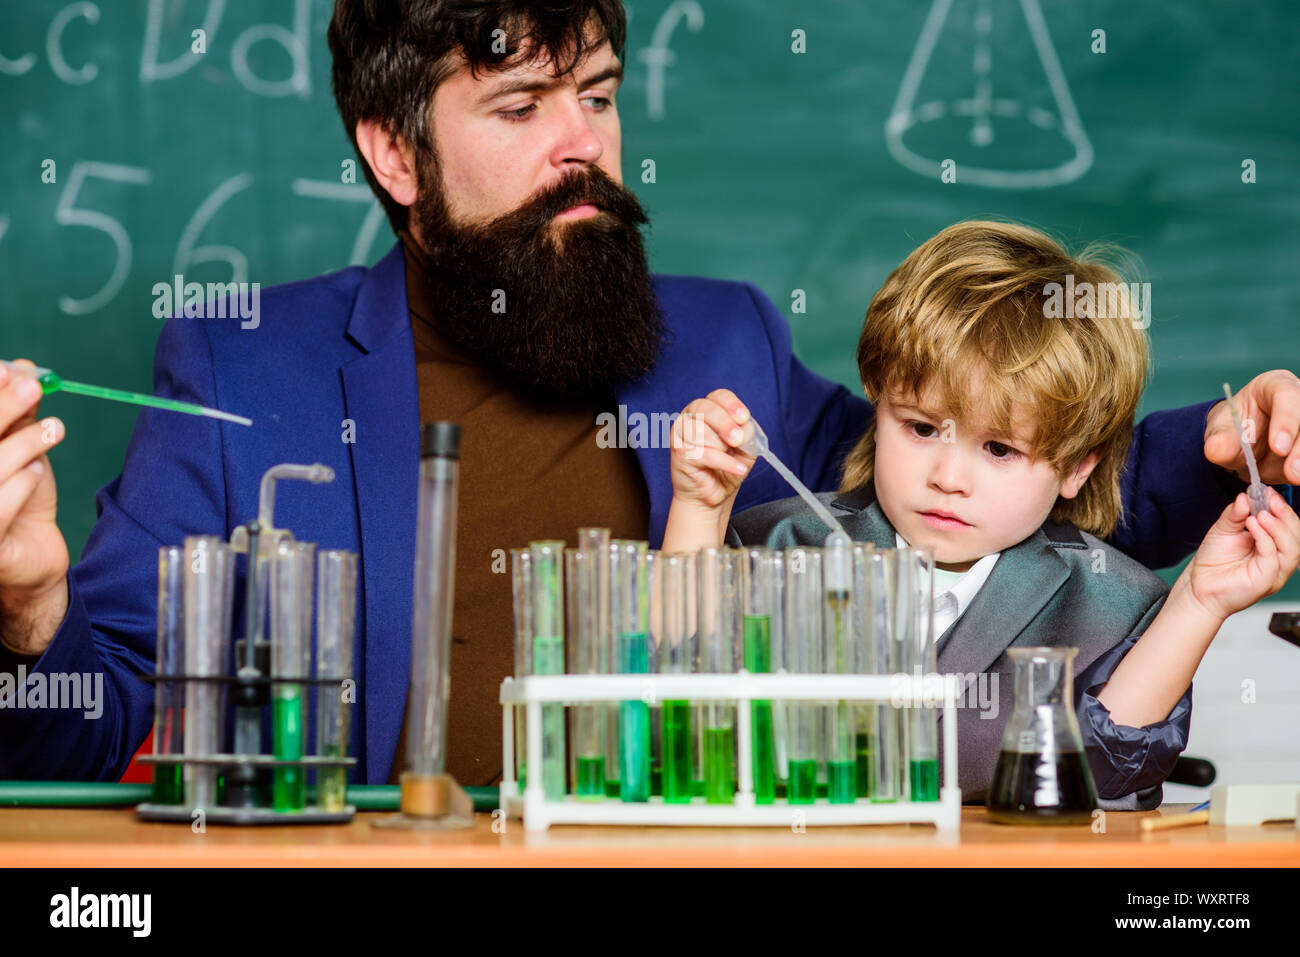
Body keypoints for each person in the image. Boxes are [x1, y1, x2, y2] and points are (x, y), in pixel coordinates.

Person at [0, 3, 1297, 788]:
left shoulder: (720, 338)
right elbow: (82, 734)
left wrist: (1228, 439)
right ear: (395, 153)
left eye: (601, 95)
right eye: (521, 106)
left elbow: (974, 500)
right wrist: (30, 609)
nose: (586, 146)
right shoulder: (240, 366)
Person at [661, 221, 1300, 809]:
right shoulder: (775, 543)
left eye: (998, 448)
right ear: (876, 402)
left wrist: (1197, 603)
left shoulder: (1116, 602)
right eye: (918, 427)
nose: (948, 477)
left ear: (1078, 467)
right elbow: (674, 713)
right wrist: (699, 507)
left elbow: (1108, 777)